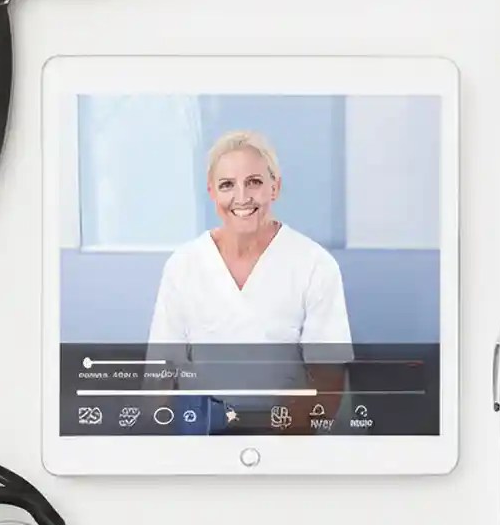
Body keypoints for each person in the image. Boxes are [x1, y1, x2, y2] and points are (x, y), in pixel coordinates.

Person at [145, 130, 352, 434]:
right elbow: (160, 373)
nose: (241, 197)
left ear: (275, 188)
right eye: (227, 185)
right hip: (201, 429)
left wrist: (280, 446)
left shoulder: (315, 264)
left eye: (254, 182)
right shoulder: (183, 265)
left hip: (288, 430)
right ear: (212, 192)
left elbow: (328, 379)